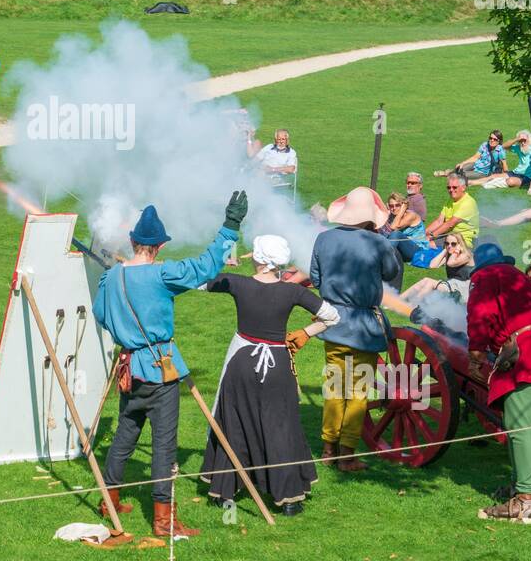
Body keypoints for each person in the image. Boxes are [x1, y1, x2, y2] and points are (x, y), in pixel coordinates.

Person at [92, 193, 247, 537]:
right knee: (164, 445)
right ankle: (163, 521)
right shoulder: (164, 274)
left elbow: (101, 316)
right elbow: (207, 266)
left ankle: (109, 500)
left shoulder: (111, 277)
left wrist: (127, 337)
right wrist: (230, 227)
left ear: (133, 241)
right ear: (159, 245)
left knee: (123, 437)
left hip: (129, 368)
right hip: (160, 372)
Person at [200, 234, 340, 516]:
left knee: (234, 423)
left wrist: (222, 261)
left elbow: (199, 280)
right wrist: (305, 333)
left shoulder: (238, 283)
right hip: (277, 363)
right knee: (281, 426)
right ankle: (289, 499)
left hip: (241, 363)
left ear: (261, 259)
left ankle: (224, 490)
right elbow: (332, 316)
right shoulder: (293, 291)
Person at [466, 242, 531, 525]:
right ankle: (518, 487)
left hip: (523, 348)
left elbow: (479, 316)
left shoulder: (484, 278)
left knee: (521, 424)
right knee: (515, 421)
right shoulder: (517, 276)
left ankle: (526, 502)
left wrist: (474, 355)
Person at [307, 187, 399, 472]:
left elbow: (315, 277)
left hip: (333, 321)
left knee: (335, 388)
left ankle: (327, 449)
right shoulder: (378, 243)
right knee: (357, 391)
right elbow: (392, 273)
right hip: (364, 326)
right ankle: (347, 455)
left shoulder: (324, 238)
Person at [402, 234, 473, 303]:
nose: (449, 246)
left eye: (453, 244)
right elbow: (432, 265)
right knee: (425, 280)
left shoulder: (466, 255)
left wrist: (456, 251)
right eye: (447, 243)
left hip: (462, 289)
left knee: (430, 283)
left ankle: (413, 304)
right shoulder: (450, 255)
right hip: (451, 284)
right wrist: (445, 250)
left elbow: (450, 263)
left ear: (460, 244)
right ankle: (398, 299)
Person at [436, 130, 506, 184]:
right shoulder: (485, 145)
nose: (492, 140)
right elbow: (475, 157)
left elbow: (504, 165)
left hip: (483, 173)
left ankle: (449, 174)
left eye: (495, 139)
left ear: (499, 141)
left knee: (461, 176)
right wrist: (462, 163)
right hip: (476, 165)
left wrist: (505, 176)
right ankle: (448, 172)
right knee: (459, 168)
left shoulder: (500, 150)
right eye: (490, 138)